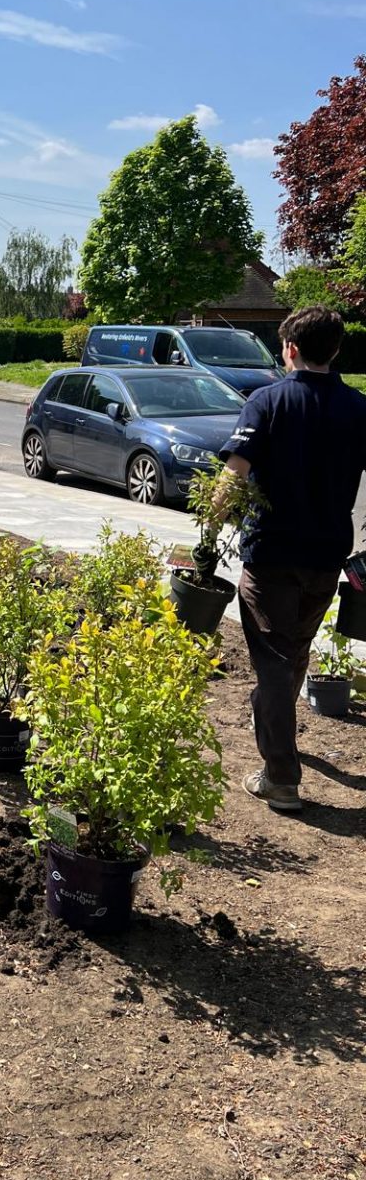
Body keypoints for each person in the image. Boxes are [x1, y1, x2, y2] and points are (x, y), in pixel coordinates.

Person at [219, 305, 366, 814]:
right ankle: (282, 739)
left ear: (290, 349)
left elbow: (234, 473)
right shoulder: (359, 407)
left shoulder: (266, 402)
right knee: (294, 647)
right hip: (326, 556)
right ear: (337, 350)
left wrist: (209, 527)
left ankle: (281, 777)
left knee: (275, 664)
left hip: (271, 555)